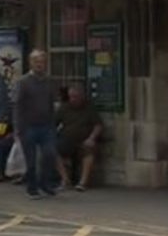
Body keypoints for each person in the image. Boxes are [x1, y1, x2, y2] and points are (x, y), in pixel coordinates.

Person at [13, 49, 58, 199]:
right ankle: (32, 188)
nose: (40, 64)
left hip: (47, 126)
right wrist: (17, 128)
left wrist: (54, 123)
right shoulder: (23, 82)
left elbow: (53, 103)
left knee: (49, 155)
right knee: (31, 160)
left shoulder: (50, 81)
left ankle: (45, 183)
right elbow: (18, 106)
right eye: (36, 61)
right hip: (29, 126)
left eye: (42, 62)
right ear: (31, 63)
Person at [55, 84, 103, 192]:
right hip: (66, 139)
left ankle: (82, 182)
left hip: (84, 140)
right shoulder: (64, 107)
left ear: (82, 96)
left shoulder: (89, 108)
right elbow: (53, 123)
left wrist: (92, 138)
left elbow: (98, 125)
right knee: (51, 149)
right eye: (71, 96)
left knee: (89, 151)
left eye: (76, 96)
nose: (73, 99)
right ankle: (65, 179)